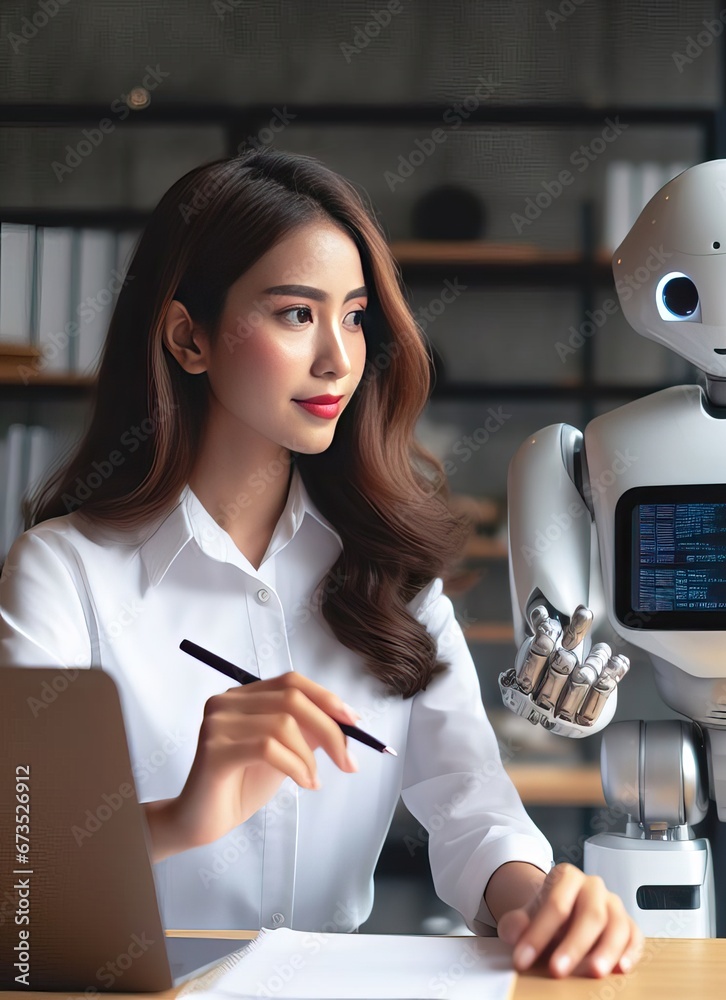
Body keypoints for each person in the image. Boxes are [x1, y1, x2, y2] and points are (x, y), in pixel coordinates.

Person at [0, 149, 643, 979]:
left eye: (353, 316)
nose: (339, 359)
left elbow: (471, 812)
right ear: (188, 337)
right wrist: (180, 820)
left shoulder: (392, 574)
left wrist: (541, 903)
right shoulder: (63, 574)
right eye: (297, 315)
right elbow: (20, 870)